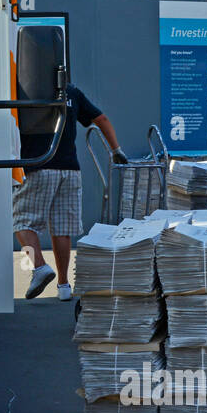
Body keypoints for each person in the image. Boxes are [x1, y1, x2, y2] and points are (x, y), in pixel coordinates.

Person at [14, 84, 125, 301]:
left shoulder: (26, 87)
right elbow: (101, 119)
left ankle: (39, 267)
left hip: (39, 166)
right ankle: (64, 286)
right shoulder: (71, 92)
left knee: (22, 222)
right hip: (70, 169)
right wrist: (116, 150)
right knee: (62, 228)